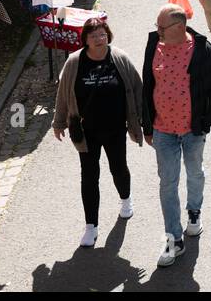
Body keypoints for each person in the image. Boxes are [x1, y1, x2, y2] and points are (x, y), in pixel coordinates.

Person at [142, 3, 211, 267]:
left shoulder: (202, 51)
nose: (157, 30)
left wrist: (207, 120)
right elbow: (147, 85)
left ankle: (194, 211)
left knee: (195, 172)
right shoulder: (154, 44)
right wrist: (147, 125)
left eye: (161, 26)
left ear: (179, 27)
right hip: (163, 130)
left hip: (192, 130)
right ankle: (173, 239)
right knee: (167, 183)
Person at [52, 14, 144, 247]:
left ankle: (126, 199)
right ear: (85, 39)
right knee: (89, 175)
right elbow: (63, 94)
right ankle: (91, 226)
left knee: (118, 167)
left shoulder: (119, 58)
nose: (99, 39)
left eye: (102, 34)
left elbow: (137, 87)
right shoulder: (74, 62)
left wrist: (145, 120)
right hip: (85, 131)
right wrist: (58, 122)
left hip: (115, 128)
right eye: (94, 36)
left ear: (108, 35)